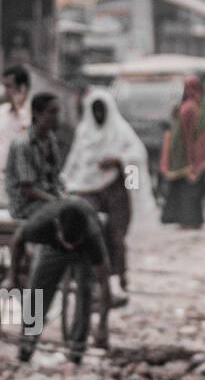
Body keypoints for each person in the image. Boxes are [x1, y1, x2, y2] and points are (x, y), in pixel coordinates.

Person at [61, 87, 155, 301]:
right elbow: (74, 163)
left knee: (115, 236)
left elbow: (137, 158)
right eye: (95, 111)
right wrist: (66, 183)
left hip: (116, 192)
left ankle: (118, 279)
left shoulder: (120, 132)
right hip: (88, 191)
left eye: (102, 111)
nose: (99, 116)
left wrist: (119, 161)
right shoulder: (84, 133)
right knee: (88, 234)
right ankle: (91, 281)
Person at [7, 197, 112, 363]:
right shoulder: (40, 224)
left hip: (84, 253)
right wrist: (12, 278)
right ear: (57, 227)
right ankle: (26, 347)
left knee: (85, 293)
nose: (70, 248)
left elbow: (104, 283)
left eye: (73, 244)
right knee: (37, 294)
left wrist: (103, 326)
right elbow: (18, 240)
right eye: (67, 243)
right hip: (52, 248)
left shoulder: (92, 236)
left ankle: (77, 351)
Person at [159, 76, 205, 229]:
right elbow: (188, 136)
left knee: (190, 189)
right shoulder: (194, 107)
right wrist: (191, 160)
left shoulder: (192, 107)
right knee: (190, 190)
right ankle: (189, 220)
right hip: (190, 155)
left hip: (188, 155)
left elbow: (191, 135)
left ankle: (190, 221)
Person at [5, 92, 62, 221]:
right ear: (37, 113)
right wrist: (57, 201)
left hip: (46, 200)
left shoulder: (51, 140)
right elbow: (28, 189)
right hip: (24, 205)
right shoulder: (23, 144)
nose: (56, 117)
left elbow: (54, 178)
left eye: (57, 112)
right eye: (52, 112)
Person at [0, 64, 31, 209]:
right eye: (4, 86)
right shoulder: (2, 111)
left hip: (18, 182)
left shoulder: (33, 113)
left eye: (9, 86)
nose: (5, 91)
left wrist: (19, 108)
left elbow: (29, 137)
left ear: (22, 87)